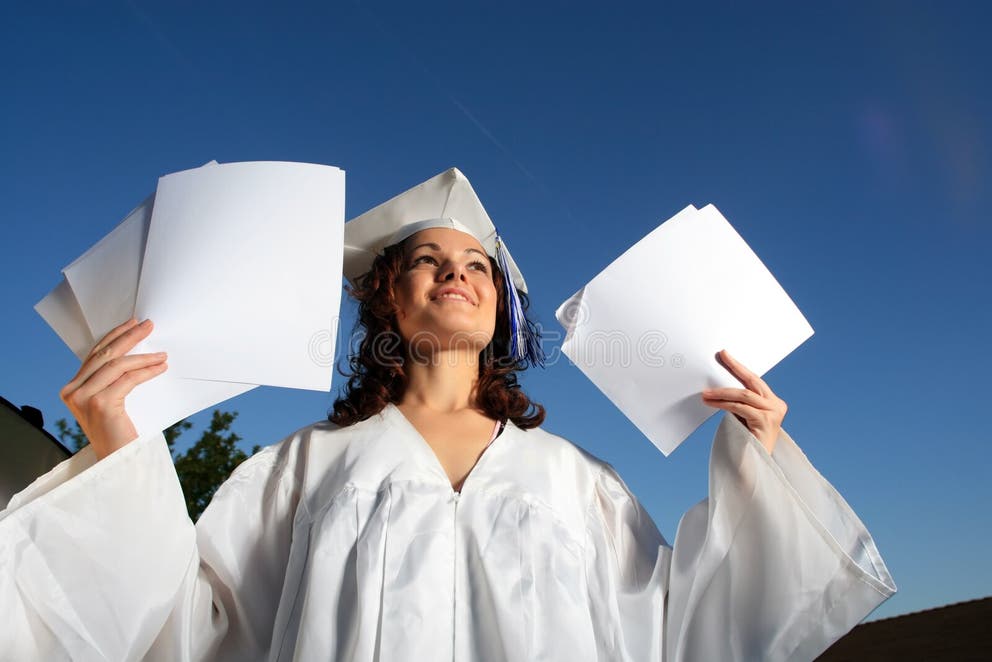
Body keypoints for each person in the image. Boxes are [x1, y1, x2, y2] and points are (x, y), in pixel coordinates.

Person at [1, 168, 895, 661]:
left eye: (476, 264)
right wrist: (122, 445)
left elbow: (691, 633)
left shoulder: (579, 483)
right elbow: (180, 633)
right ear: (388, 298)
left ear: (502, 306)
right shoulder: (299, 469)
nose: (455, 271)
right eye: (424, 260)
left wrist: (758, 463)